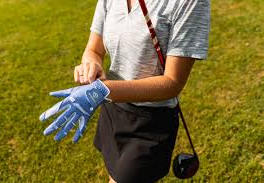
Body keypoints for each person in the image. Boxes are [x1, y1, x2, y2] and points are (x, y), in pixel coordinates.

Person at [40, 0, 210, 182]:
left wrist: (102, 90)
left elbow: (172, 83)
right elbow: (93, 50)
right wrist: (91, 64)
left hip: (150, 123)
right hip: (113, 110)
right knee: (113, 172)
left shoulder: (190, 2)